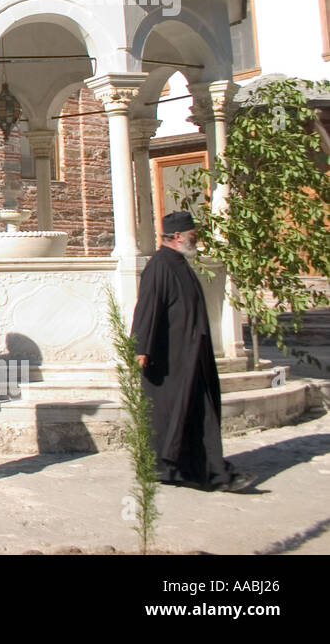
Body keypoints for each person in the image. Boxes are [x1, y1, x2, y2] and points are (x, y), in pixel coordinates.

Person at [132, 211, 256, 492]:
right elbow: (148, 306)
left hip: (188, 356)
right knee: (193, 415)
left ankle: (172, 468)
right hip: (173, 359)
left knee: (189, 414)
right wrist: (140, 347)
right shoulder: (161, 265)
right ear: (177, 237)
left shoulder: (177, 262)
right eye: (192, 236)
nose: (196, 240)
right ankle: (216, 475)